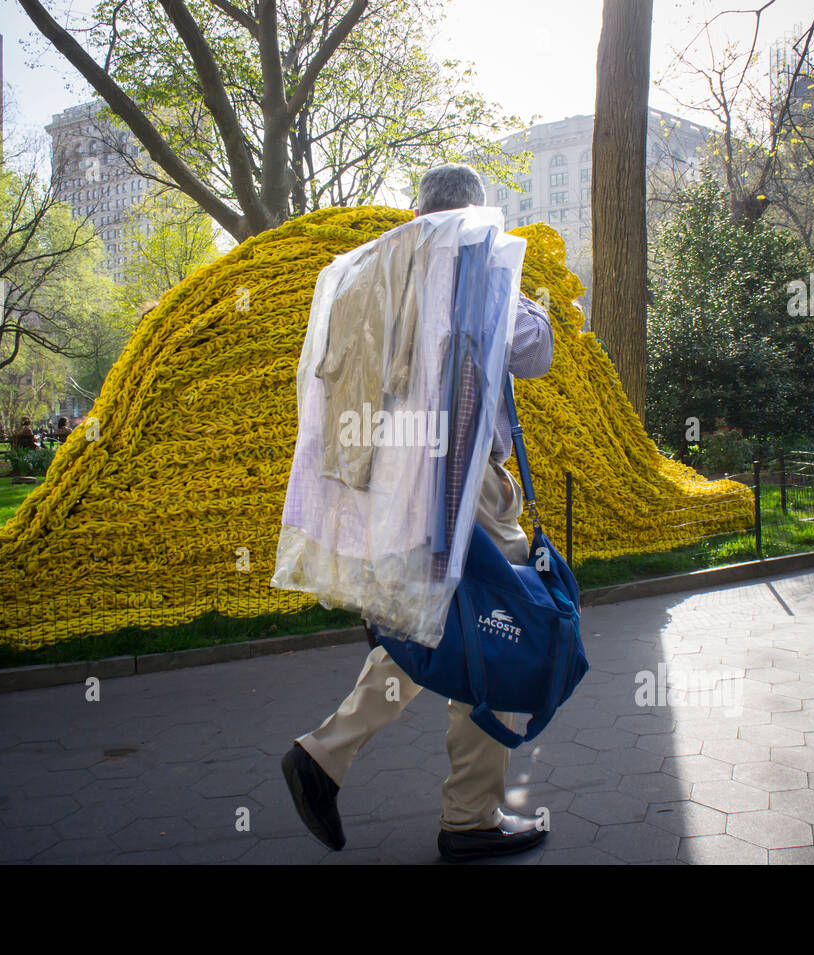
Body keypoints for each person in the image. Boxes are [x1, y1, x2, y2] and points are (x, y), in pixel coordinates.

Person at [281, 163, 556, 863]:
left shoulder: (376, 268)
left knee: (429, 628)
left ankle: (324, 755)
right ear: (474, 209)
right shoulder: (476, 255)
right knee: (498, 633)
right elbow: (534, 350)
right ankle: (468, 816)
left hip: (397, 489)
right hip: (467, 488)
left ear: (418, 209)